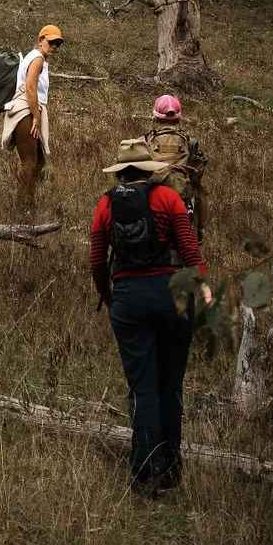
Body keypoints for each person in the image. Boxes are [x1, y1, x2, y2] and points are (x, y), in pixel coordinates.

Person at [90, 138, 211, 496]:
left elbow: (98, 261)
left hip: (128, 300)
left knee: (142, 387)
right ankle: (172, 469)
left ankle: (146, 470)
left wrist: (110, 298)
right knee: (170, 386)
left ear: (122, 173)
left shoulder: (106, 204)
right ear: (151, 170)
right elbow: (189, 246)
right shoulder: (169, 198)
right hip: (173, 295)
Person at [1, 25, 63, 205]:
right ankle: (21, 204)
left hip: (29, 110)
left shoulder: (38, 58)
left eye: (58, 43)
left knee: (38, 161)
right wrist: (36, 116)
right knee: (29, 163)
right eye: (51, 42)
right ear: (40, 39)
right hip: (26, 111)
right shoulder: (36, 59)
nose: (54, 46)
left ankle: (27, 199)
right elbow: (30, 88)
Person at [145, 94, 209, 238]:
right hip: (181, 208)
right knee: (186, 253)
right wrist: (200, 227)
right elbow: (200, 190)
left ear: (155, 117)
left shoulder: (143, 142)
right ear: (179, 118)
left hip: (150, 207)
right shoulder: (191, 145)